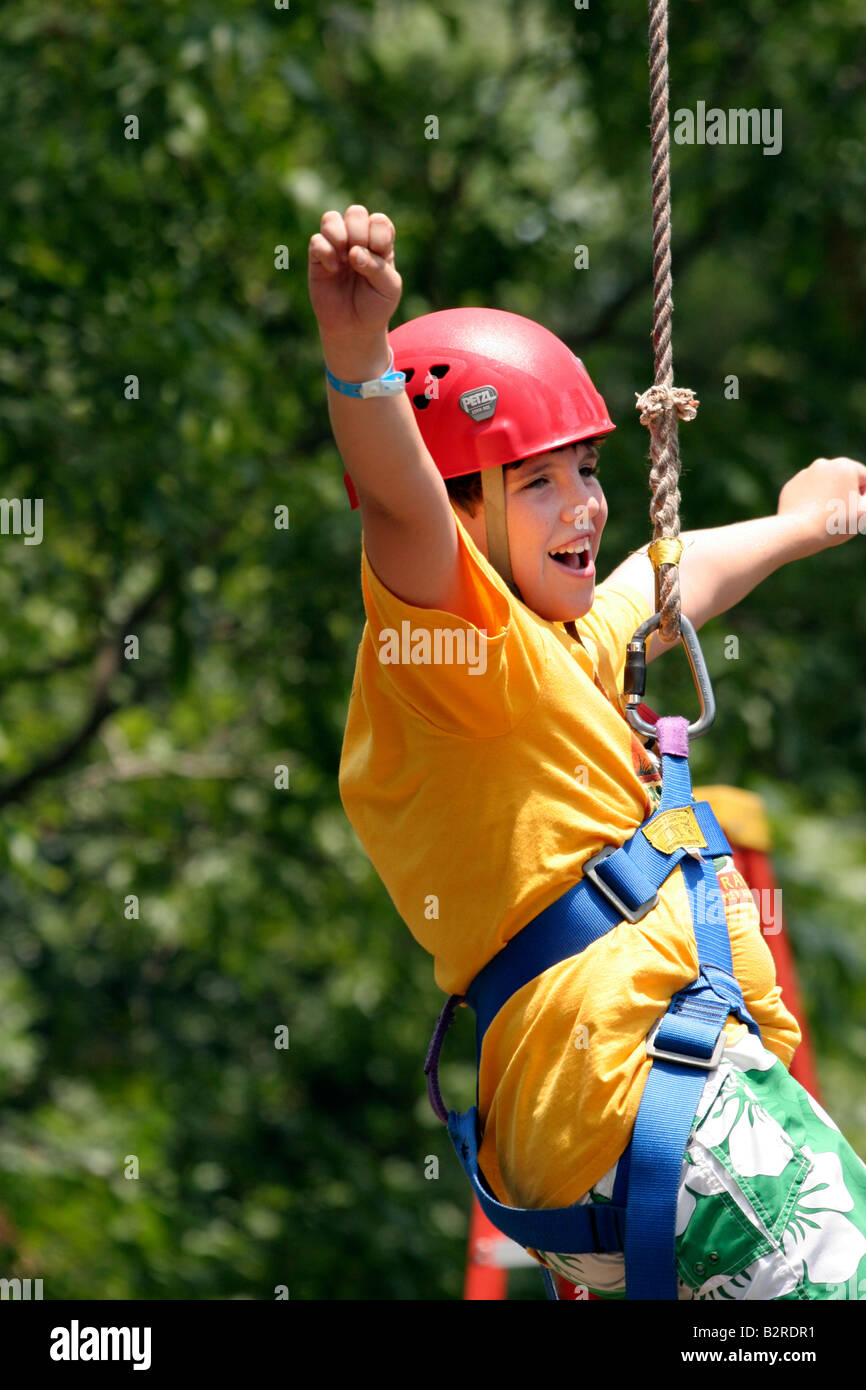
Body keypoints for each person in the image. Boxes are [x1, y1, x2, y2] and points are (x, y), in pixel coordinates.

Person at [308, 202, 866, 1299]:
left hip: (615, 1135)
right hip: (643, 1092)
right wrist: (356, 353)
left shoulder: (554, 644)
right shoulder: (451, 648)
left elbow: (666, 582)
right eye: (535, 481)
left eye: (585, 472)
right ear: (463, 518)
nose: (584, 507)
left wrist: (802, 523)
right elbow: (398, 499)